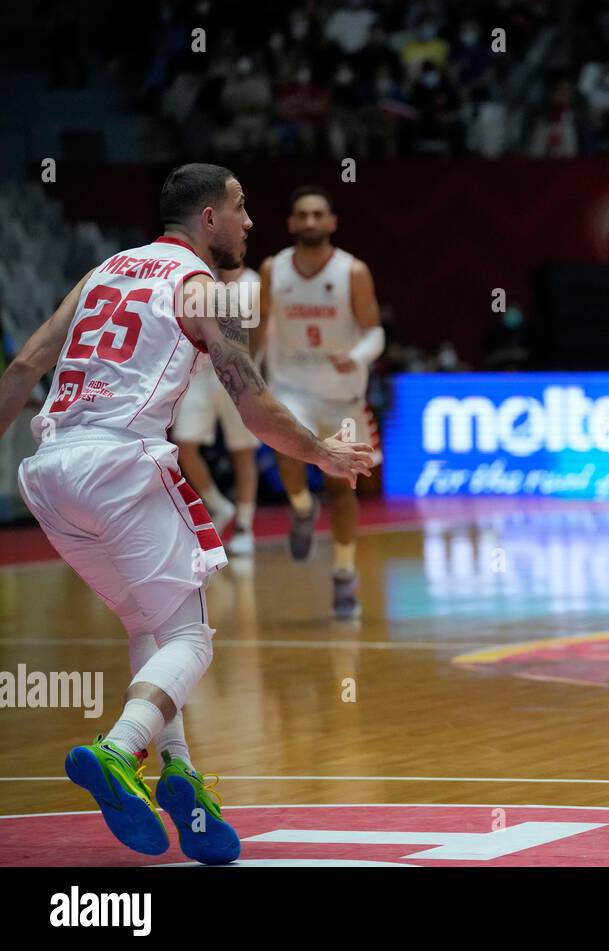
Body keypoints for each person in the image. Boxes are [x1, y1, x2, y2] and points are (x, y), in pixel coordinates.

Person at [0, 163, 372, 862]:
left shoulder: (102, 272)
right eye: (241, 209)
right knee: (194, 640)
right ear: (209, 220)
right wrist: (322, 455)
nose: (250, 222)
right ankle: (117, 751)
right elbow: (252, 399)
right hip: (119, 465)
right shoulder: (200, 288)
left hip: (48, 474)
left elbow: (22, 367)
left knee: (153, 623)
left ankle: (181, 777)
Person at [254, 186, 384, 619]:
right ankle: (302, 508)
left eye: (317, 214)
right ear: (291, 223)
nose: (310, 222)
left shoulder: (353, 271)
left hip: (342, 396)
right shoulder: (273, 269)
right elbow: (261, 325)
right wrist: (247, 371)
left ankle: (345, 575)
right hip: (292, 385)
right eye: (302, 215)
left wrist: (359, 356)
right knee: (284, 443)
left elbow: (374, 332)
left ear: (331, 222)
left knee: (342, 488)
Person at [171, 263, 261, 556]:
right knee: (183, 445)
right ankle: (219, 505)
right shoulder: (198, 280)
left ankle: (245, 526)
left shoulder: (254, 284)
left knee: (243, 452)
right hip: (202, 374)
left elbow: (261, 334)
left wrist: (251, 371)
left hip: (239, 376)